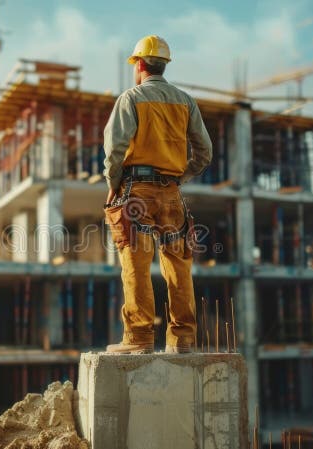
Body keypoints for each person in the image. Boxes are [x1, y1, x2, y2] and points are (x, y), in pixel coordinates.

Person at [102, 35, 213, 354]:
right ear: (164, 65)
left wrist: (113, 182)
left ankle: (138, 337)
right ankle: (184, 339)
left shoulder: (131, 98)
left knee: (135, 260)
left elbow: (115, 150)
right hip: (172, 194)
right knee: (178, 262)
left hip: (137, 190)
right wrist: (180, 175)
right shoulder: (185, 101)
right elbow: (204, 152)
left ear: (138, 64)